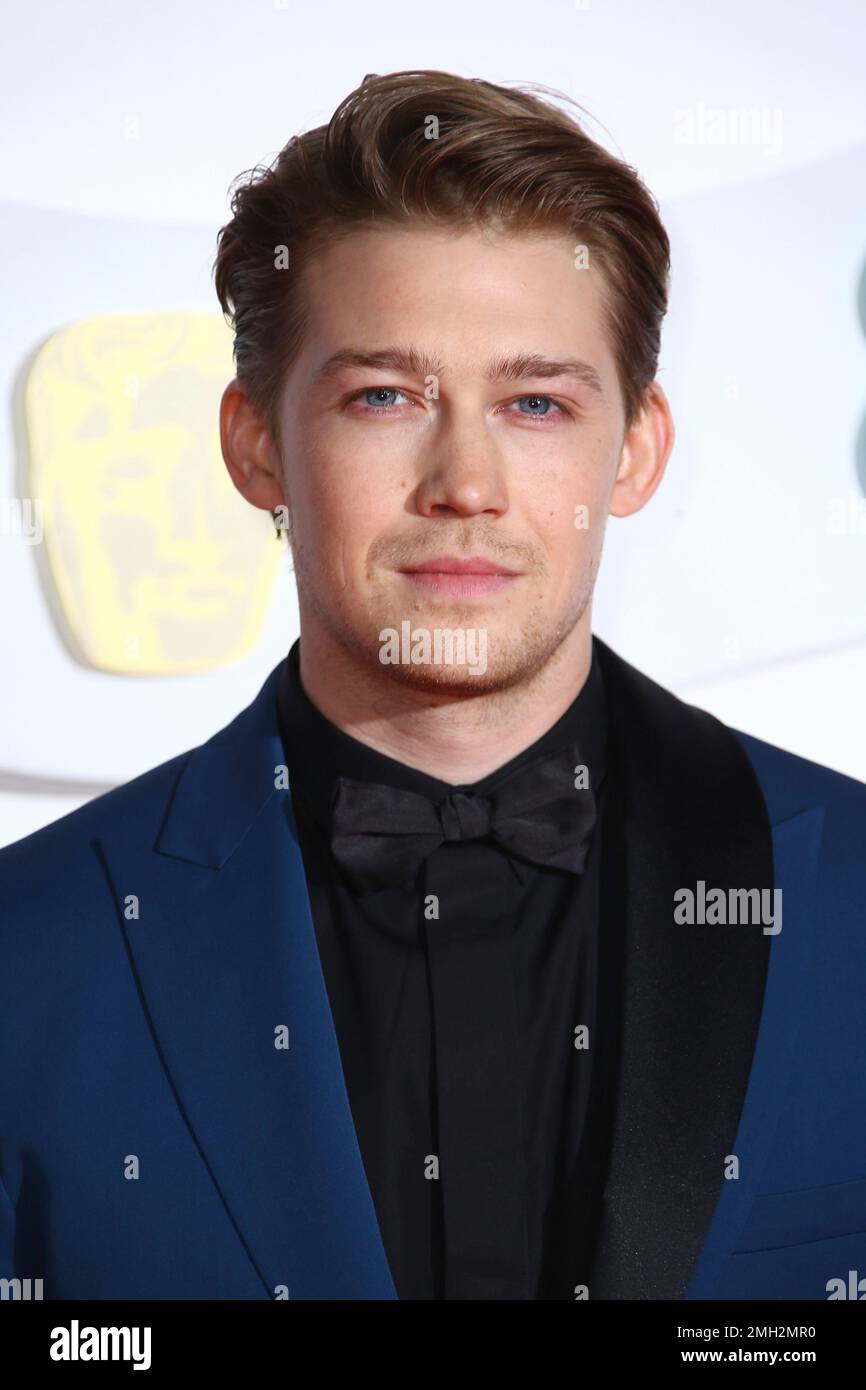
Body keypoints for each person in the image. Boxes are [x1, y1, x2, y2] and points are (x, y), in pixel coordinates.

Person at [2, 70, 865, 1302]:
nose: (464, 481)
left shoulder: (853, 894)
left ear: (632, 449)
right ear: (256, 444)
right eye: (383, 396)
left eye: (532, 402)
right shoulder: (27, 954)